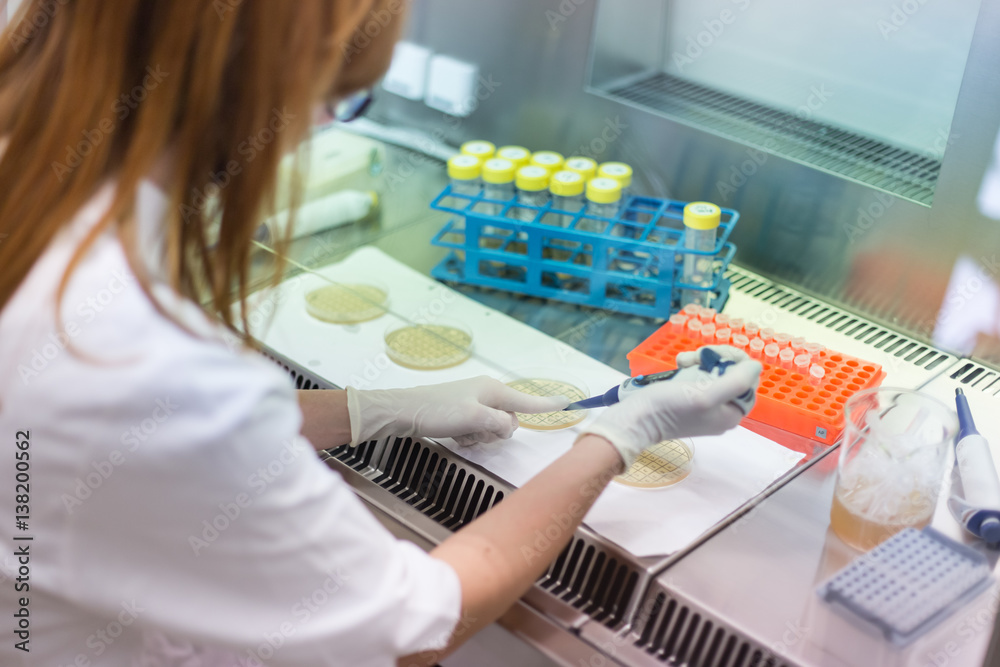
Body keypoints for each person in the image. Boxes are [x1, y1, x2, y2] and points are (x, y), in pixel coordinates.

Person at [0, 1, 762, 665]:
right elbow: (407, 631)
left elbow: (152, 436)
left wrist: (376, 408)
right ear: (259, 81)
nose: (312, 128)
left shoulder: (35, 191)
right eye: (337, 95)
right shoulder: (129, 350)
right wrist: (619, 438)